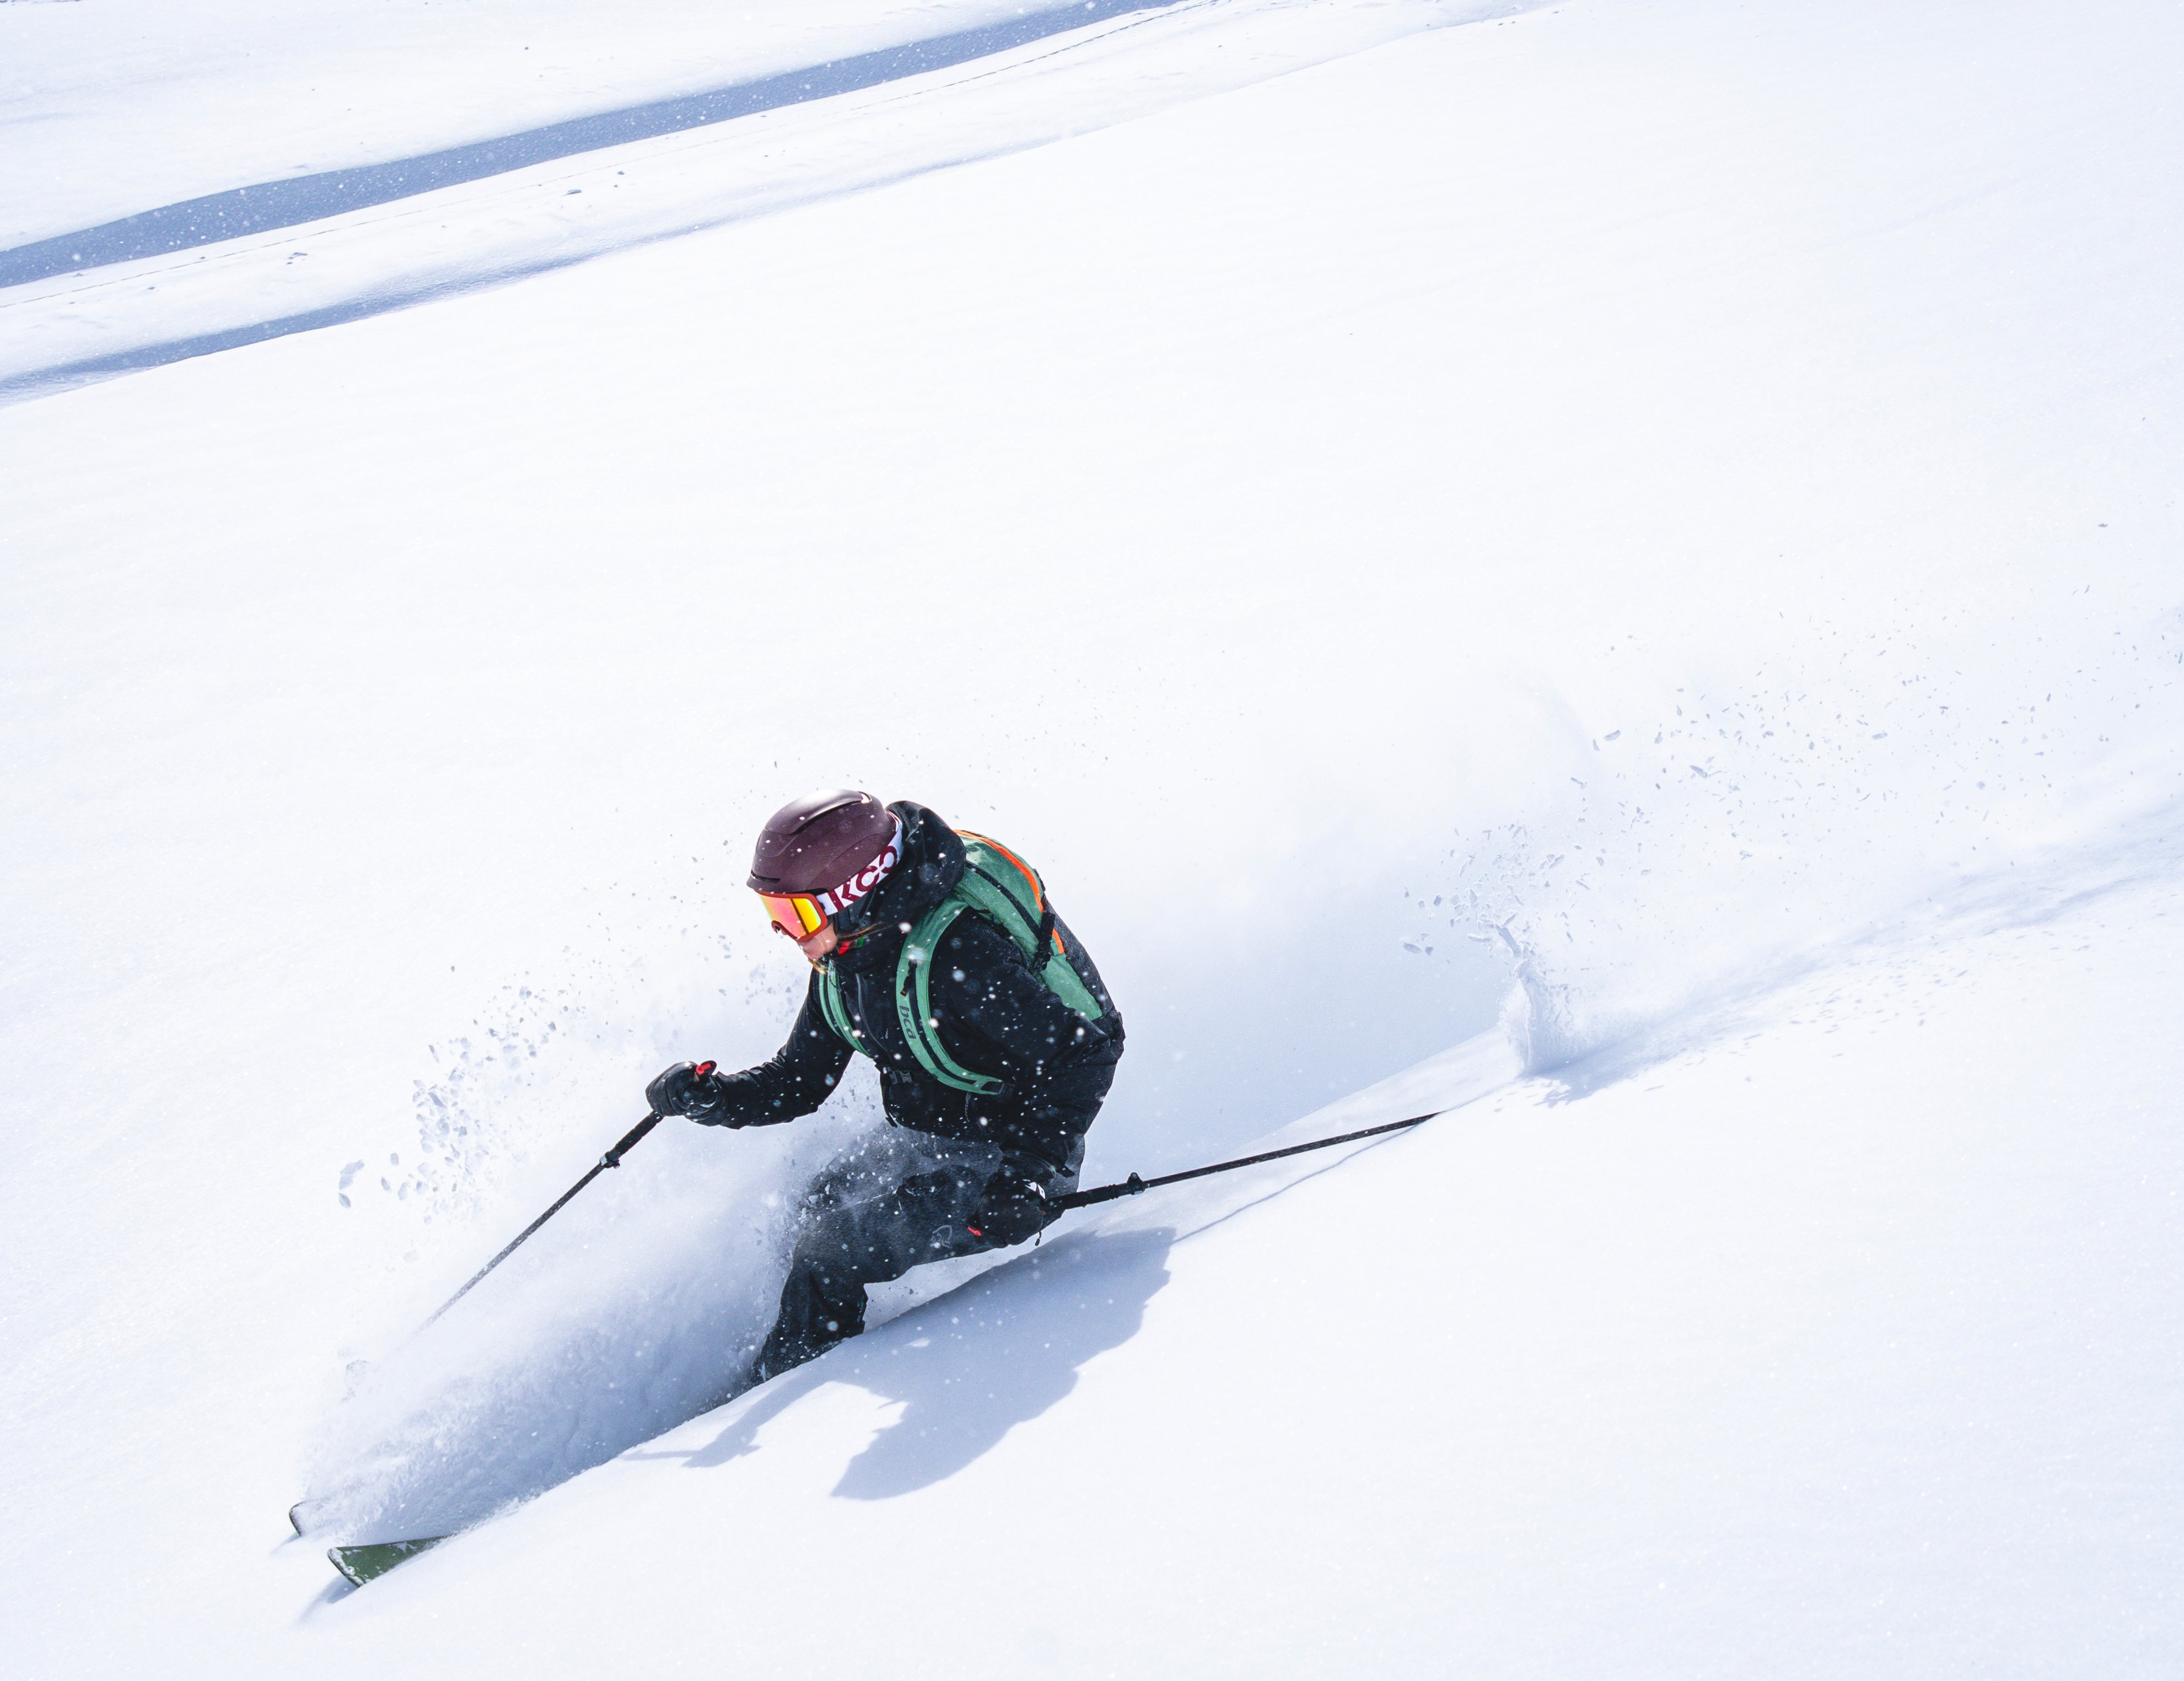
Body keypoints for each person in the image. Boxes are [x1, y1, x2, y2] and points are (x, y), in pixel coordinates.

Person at [647, 790, 1125, 1382]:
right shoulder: (848, 959)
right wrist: (716, 1099)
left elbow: (1085, 1051)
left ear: (851, 893)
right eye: (772, 911)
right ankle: (810, 1352)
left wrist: (1027, 1174)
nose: (781, 931)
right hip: (927, 1137)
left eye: (794, 914)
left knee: (826, 1253)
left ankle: (782, 1395)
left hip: (1006, 1166)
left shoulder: (960, 953)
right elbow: (799, 1081)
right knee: (811, 1204)